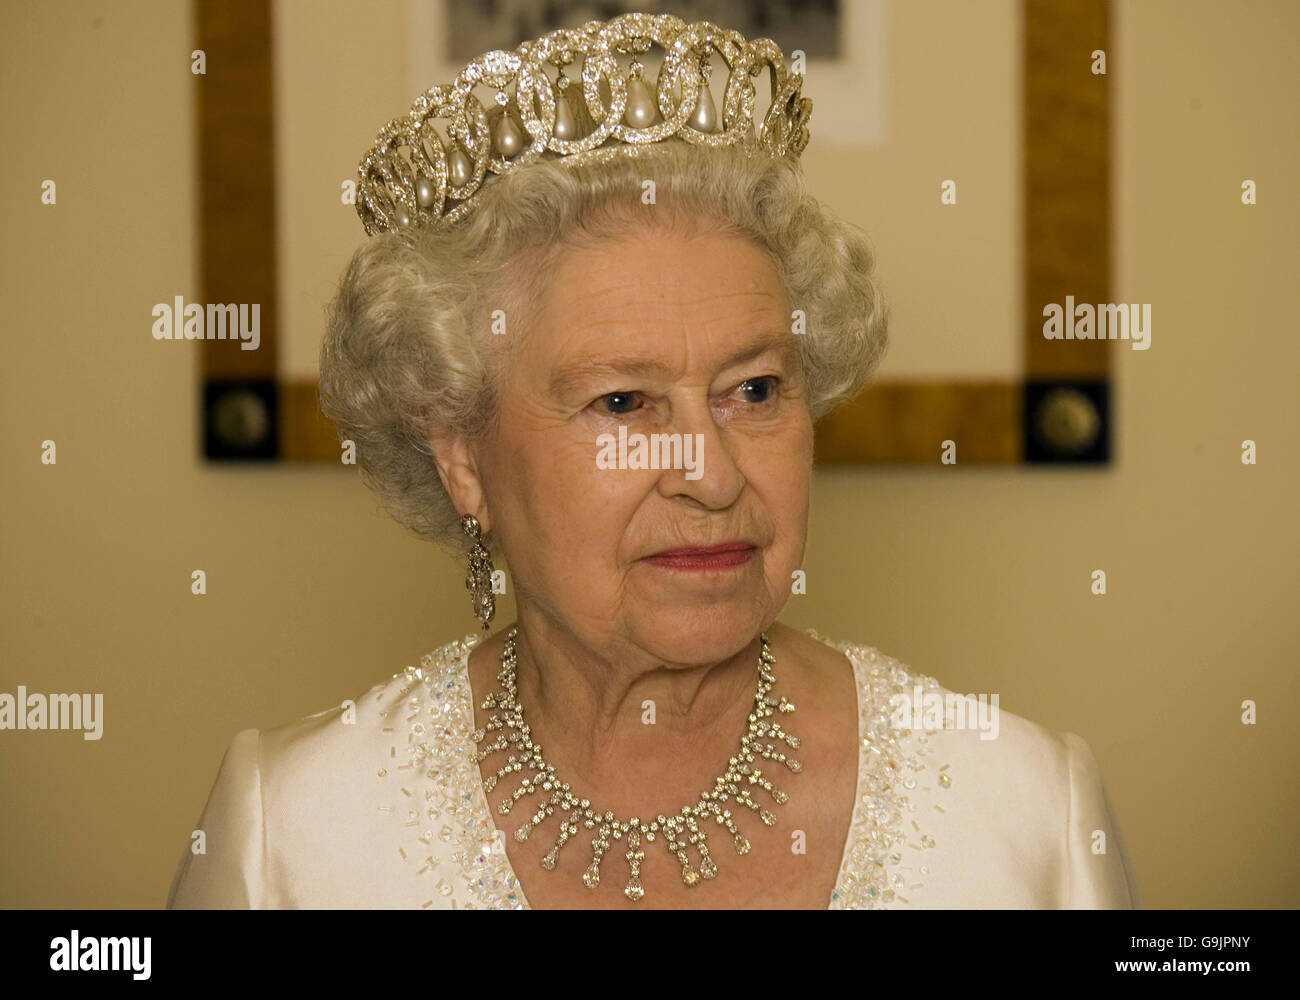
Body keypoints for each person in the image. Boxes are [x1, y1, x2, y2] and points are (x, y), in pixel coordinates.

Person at [166, 12, 1139, 909]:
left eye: (754, 390)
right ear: (461, 452)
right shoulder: (291, 837)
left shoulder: (1024, 816)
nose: (711, 476)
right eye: (623, 402)